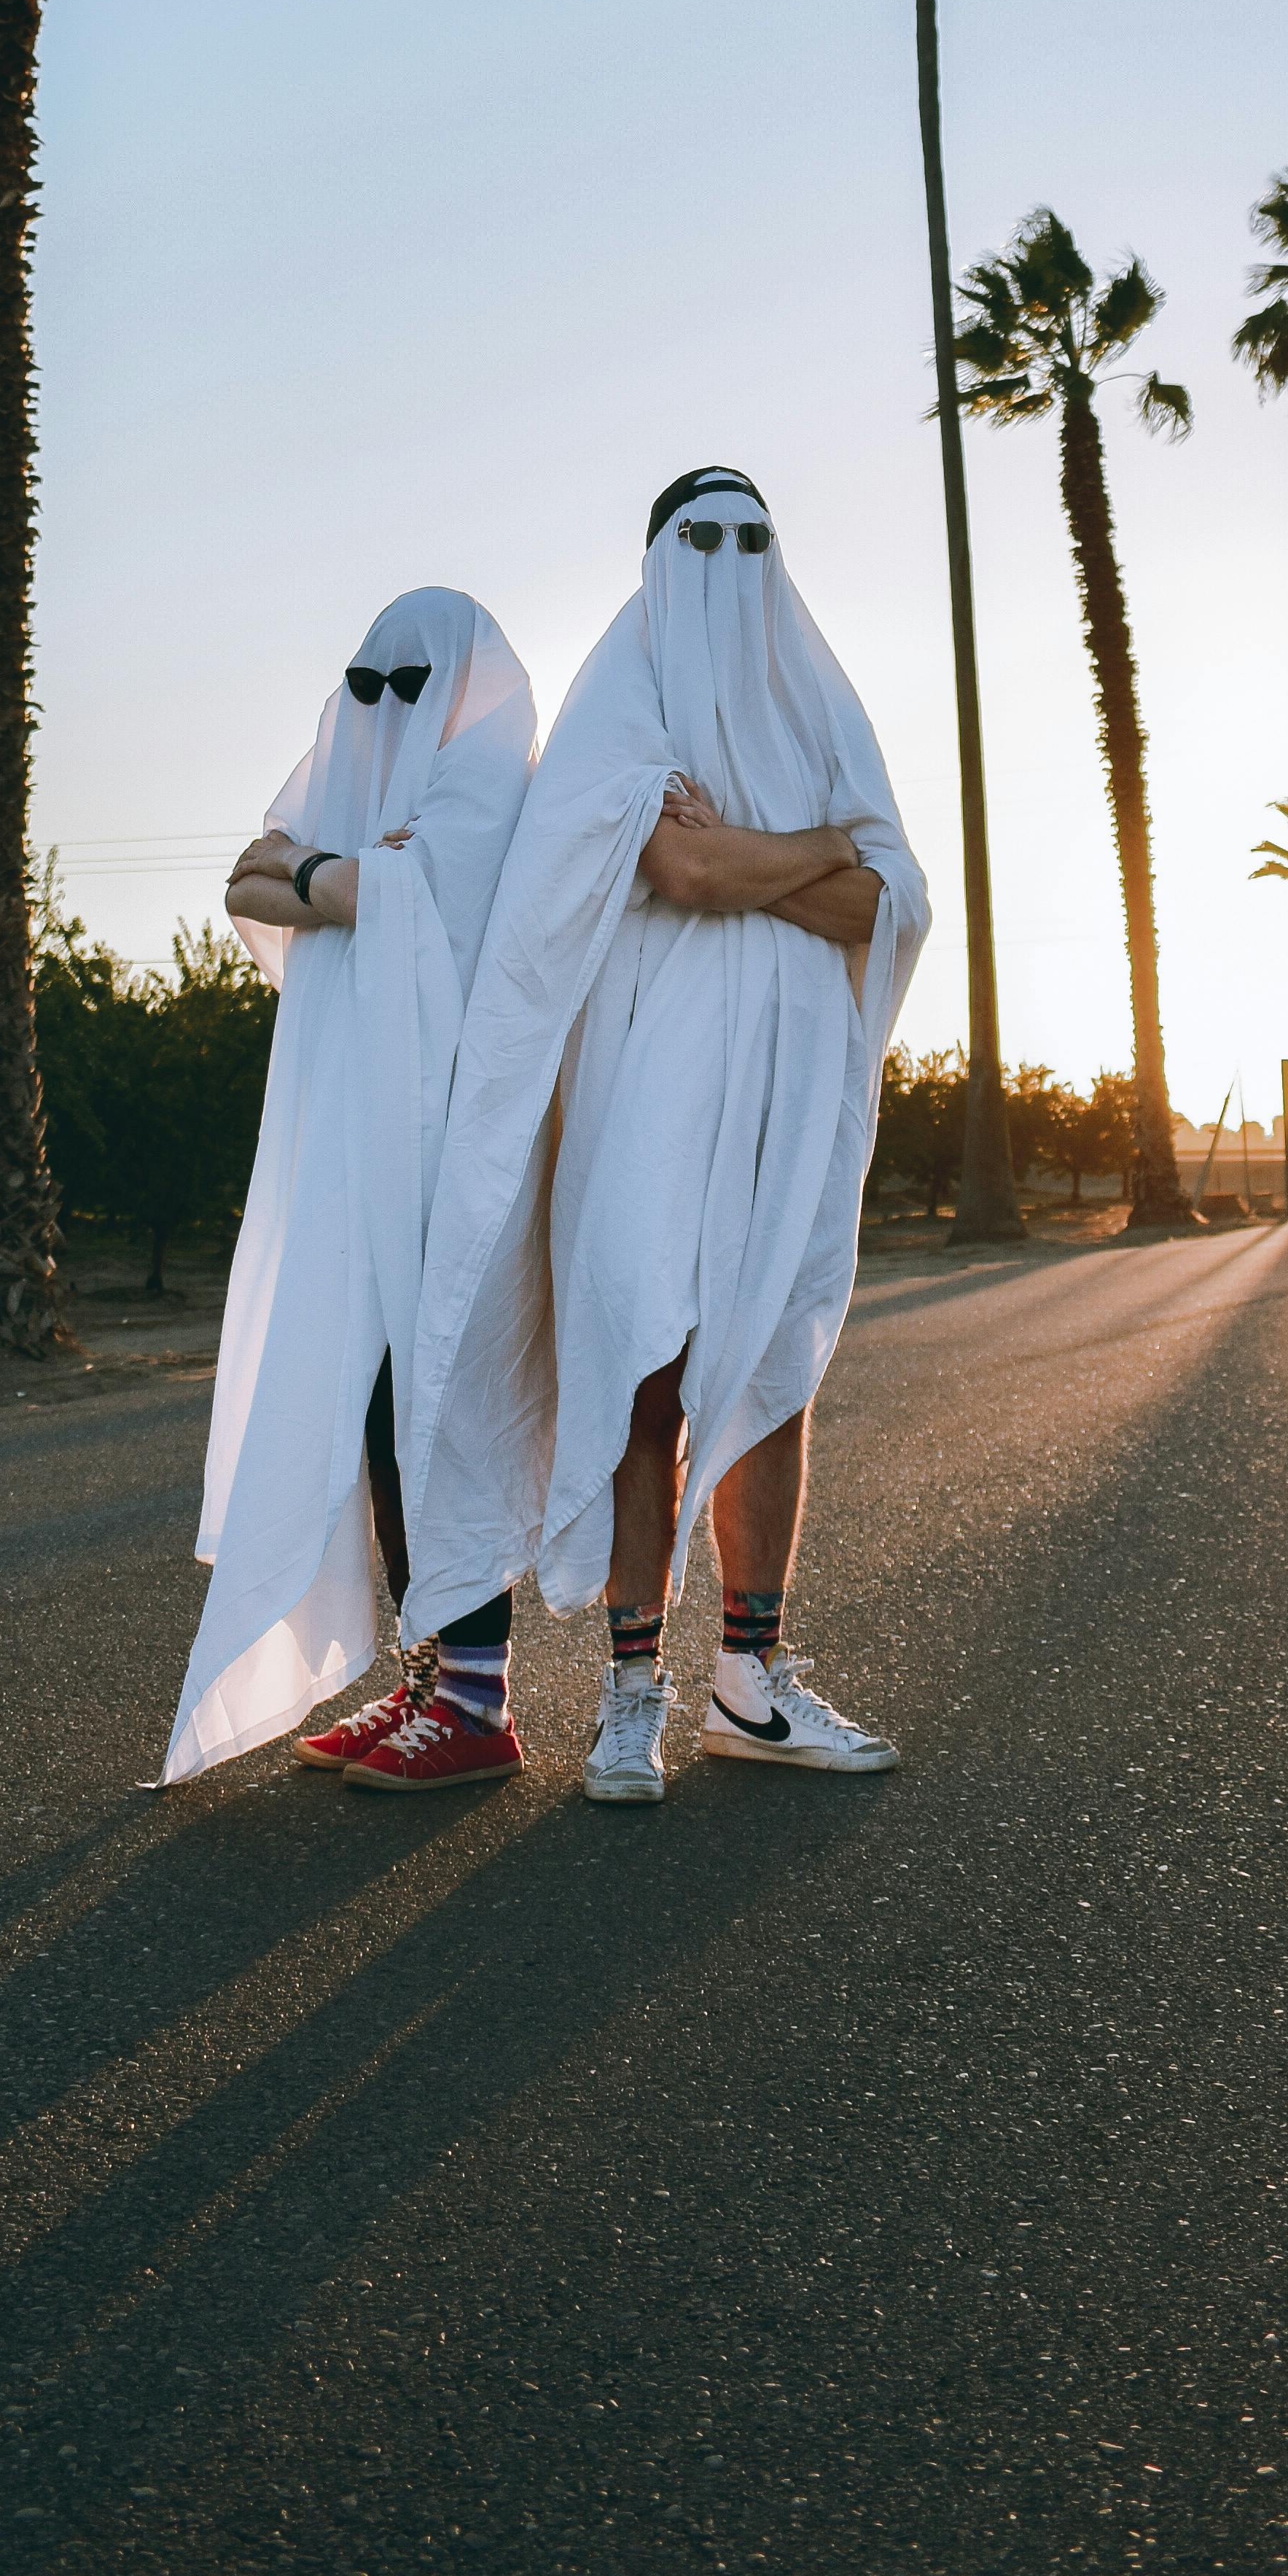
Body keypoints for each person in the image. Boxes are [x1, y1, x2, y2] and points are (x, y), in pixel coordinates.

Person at [394, 469, 929, 1805]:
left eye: (756, 537)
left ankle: (751, 1686)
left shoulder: (821, 706)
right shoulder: (619, 693)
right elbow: (682, 875)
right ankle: (630, 1697)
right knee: (645, 1368)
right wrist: (812, 861)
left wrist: (759, 842)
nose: (730, 562)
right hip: (647, 1092)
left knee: (771, 1370)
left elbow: (890, 901)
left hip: (790, 1093)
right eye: (705, 539)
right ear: (655, 560)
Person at [160, 588, 535, 1791]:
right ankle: (430, 1683)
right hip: (354, 1137)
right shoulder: (371, 795)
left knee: (444, 1404)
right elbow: (245, 885)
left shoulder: (493, 781)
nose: (382, 709)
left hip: (452, 1144)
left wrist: (324, 876)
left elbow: (403, 897)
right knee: (374, 1403)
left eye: (410, 685)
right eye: (364, 685)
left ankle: (481, 1708)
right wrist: (351, 876)